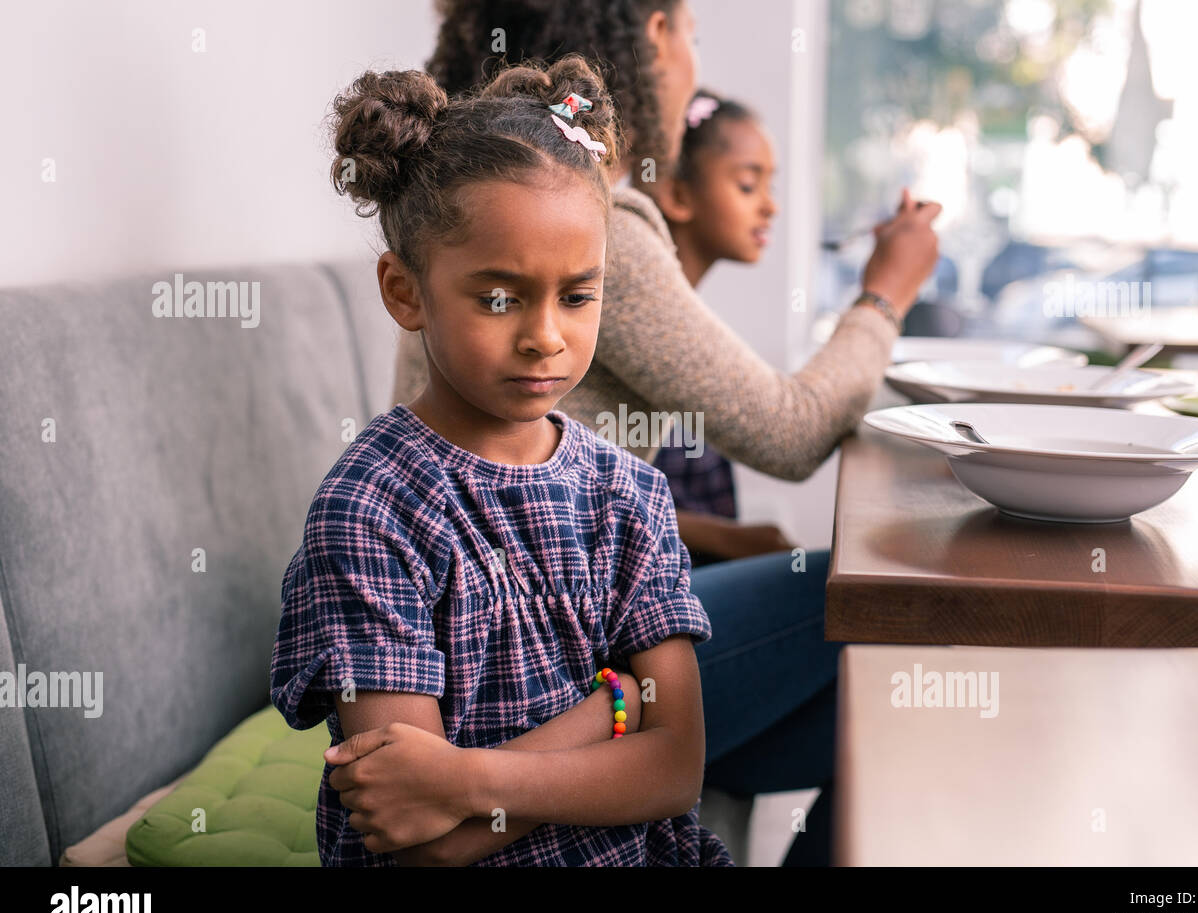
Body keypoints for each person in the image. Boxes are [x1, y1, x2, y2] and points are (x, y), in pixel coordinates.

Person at [390, 0, 941, 865]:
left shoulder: (475, 212)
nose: (545, 328)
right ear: (653, 34)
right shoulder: (592, 220)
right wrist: (886, 294)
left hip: (541, 633)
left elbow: (530, 486)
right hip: (534, 665)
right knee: (897, 606)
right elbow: (793, 433)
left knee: (886, 708)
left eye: (578, 296)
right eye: (690, 28)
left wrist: (703, 534)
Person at [271, 56, 731, 866]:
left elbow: (674, 771)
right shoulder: (373, 507)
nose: (545, 336)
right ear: (405, 290)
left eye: (578, 295)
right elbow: (422, 846)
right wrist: (610, 712)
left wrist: (462, 779)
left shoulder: (630, 494)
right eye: (498, 298)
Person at [646, 90, 794, 566]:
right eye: (749, 185)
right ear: (677, 193)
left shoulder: (685, 318)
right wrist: (732, 540)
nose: (769, 207)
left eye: (770, 186)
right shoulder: (640, 325)